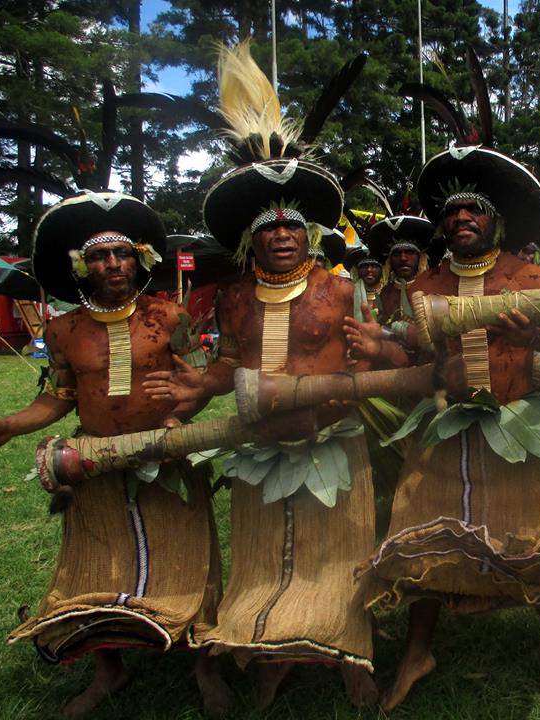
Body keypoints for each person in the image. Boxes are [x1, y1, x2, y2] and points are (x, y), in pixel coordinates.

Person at [143, 42, 377, 708]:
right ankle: (271, 644)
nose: (282, 237)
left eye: (293, 228)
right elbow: (230, 364)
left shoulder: (340, 289)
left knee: (341, 551)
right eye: (270, 230)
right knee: (268, 552)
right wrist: (200, 384)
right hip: (259, 446)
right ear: (253, 241)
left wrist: (380, 354)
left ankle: (350, 649)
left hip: (333, 440)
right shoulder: (233, 296)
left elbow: (363, 361)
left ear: (310, 236)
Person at [346, 146, 540, 718]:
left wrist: (537, 339)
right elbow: (416, 352)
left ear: (494, 219)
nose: (461, 219)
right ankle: (416, 654)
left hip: (520, 425)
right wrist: (376, 345)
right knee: (426, 537)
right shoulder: (425, 285)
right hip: (446, 426)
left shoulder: (530, 276)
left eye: (473, 209)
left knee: (538, 543)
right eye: (451, 212)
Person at [0, 191, 228, 718]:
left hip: (166, 455)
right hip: (95, 461)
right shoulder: (62, 330)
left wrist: (179, 420)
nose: (112, 264)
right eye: (99, 256)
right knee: (101, 566)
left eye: (122, 253)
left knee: (192, 557)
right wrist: (10, 423)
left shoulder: (169, 317)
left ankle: (206, 665)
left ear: (140, 259)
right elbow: (58, 397)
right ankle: (110, 669)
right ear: (82, 266)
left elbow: (200, 384)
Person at [364, 214, 437, 325]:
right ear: (390, 261)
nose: (403, 258)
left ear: (420, 259)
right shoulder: (385, 293)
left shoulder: (433, 290)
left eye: (409, 252)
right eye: (397, 253)